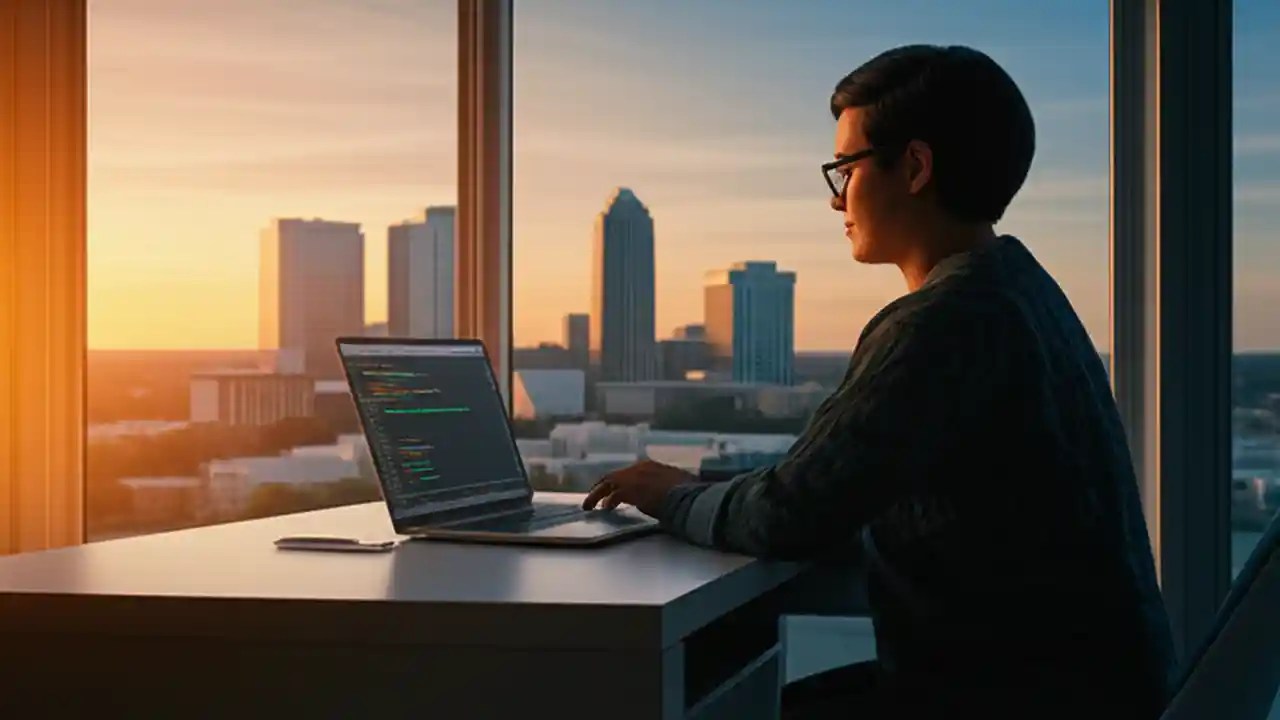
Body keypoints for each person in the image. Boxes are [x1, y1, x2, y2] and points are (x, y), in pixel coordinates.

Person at [582, 45, 1177, 717]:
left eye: (846, 169)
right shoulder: (1022, 289)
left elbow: (791, 513)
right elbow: (841, 489)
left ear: (915, 167)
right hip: (1090, 691)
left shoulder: (944, 321)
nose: (837, 199)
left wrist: (676, 497)